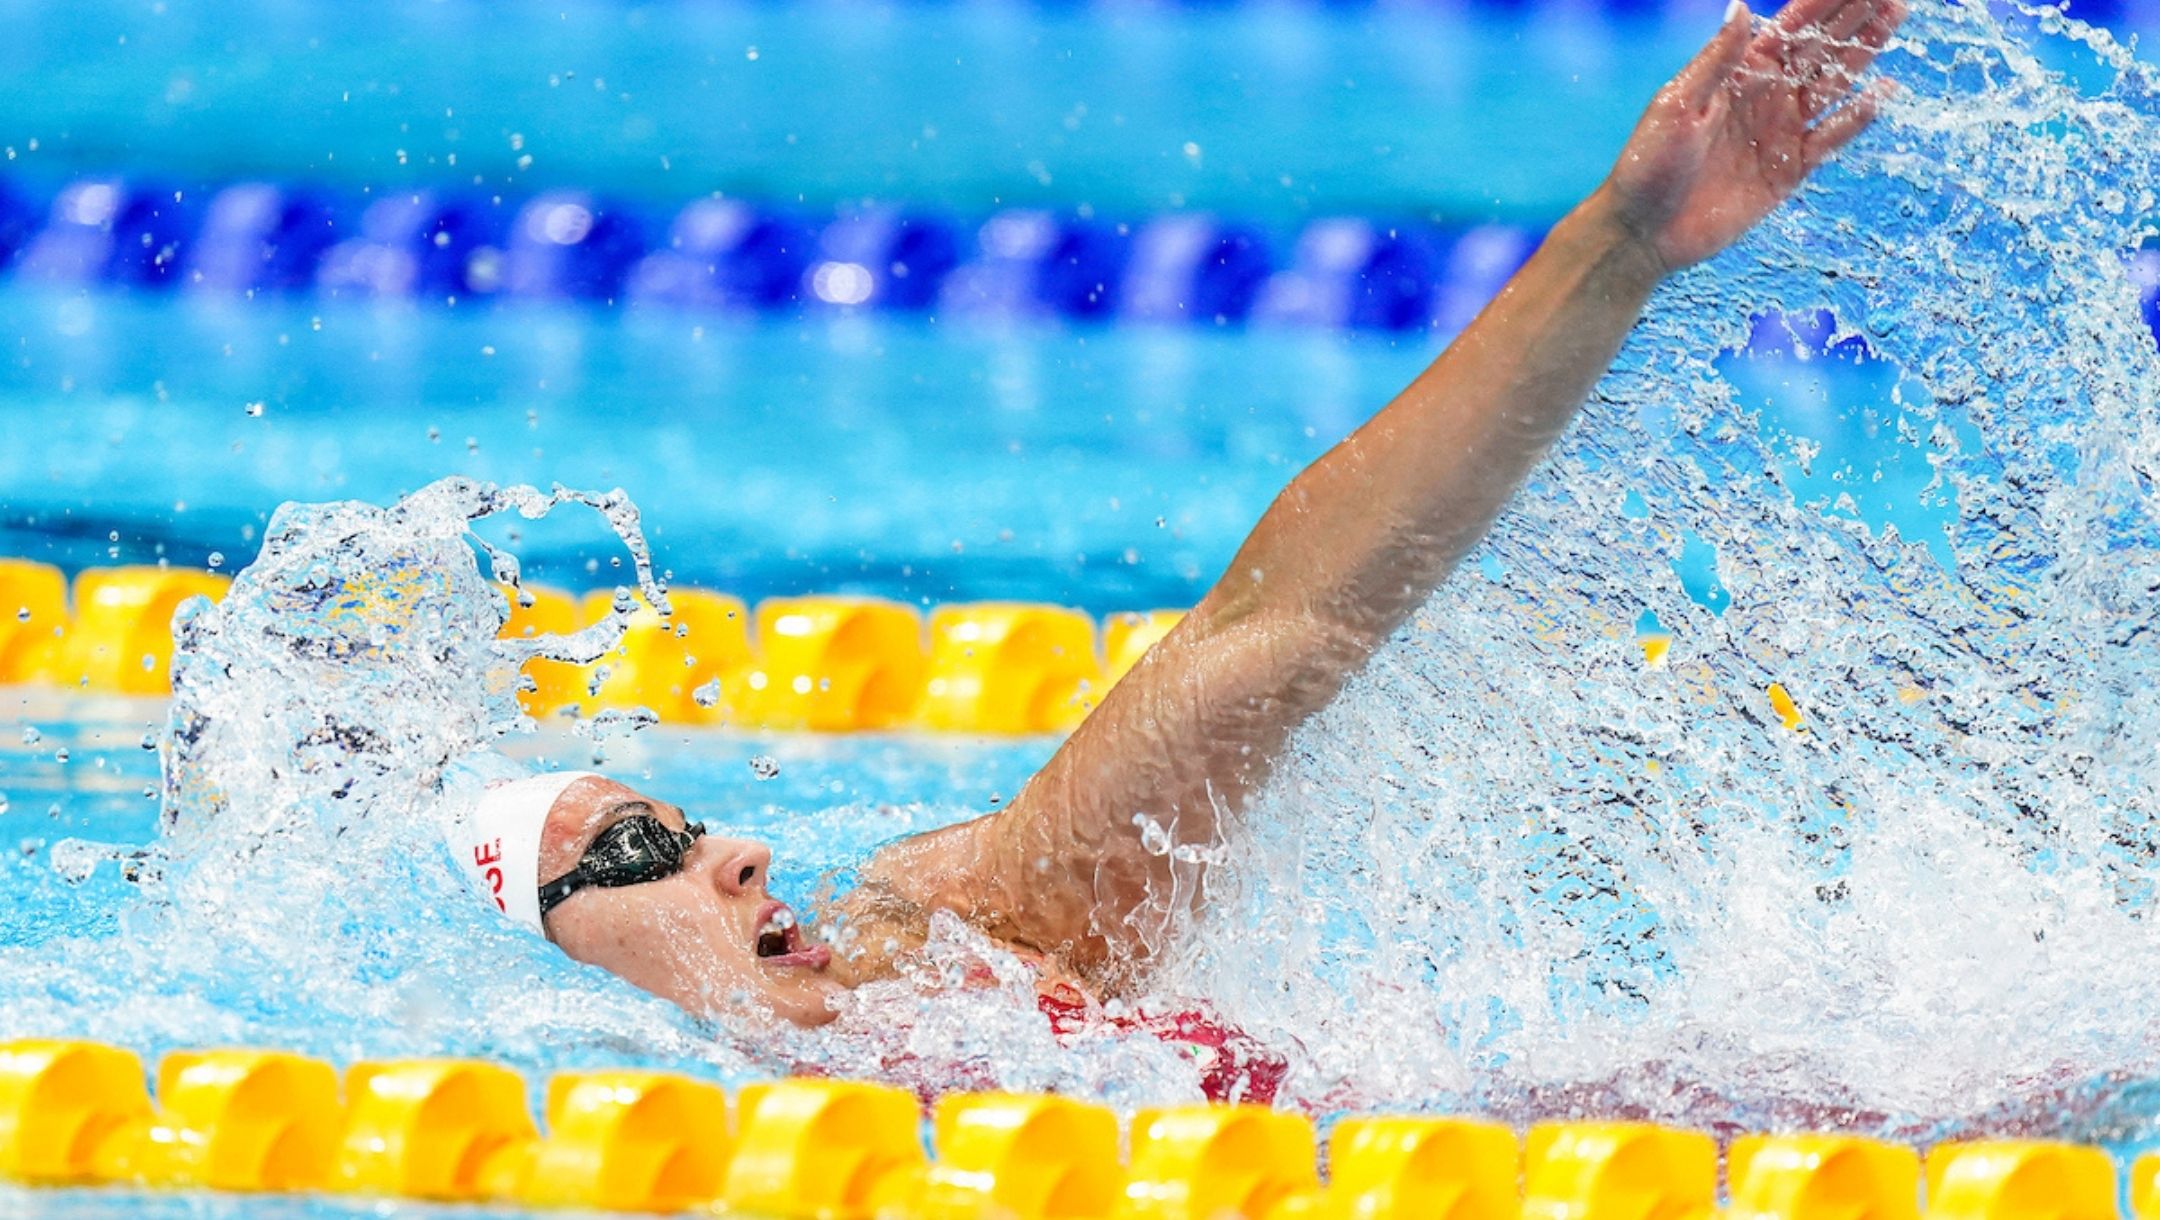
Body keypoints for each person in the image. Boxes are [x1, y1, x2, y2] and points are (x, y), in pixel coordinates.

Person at [444, 0, 1904, 1102]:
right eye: (644, 846)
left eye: (691, 827)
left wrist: (1623, 242)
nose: (743, 850)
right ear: (550, 967)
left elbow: (1270, 643)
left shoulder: (957, 946)